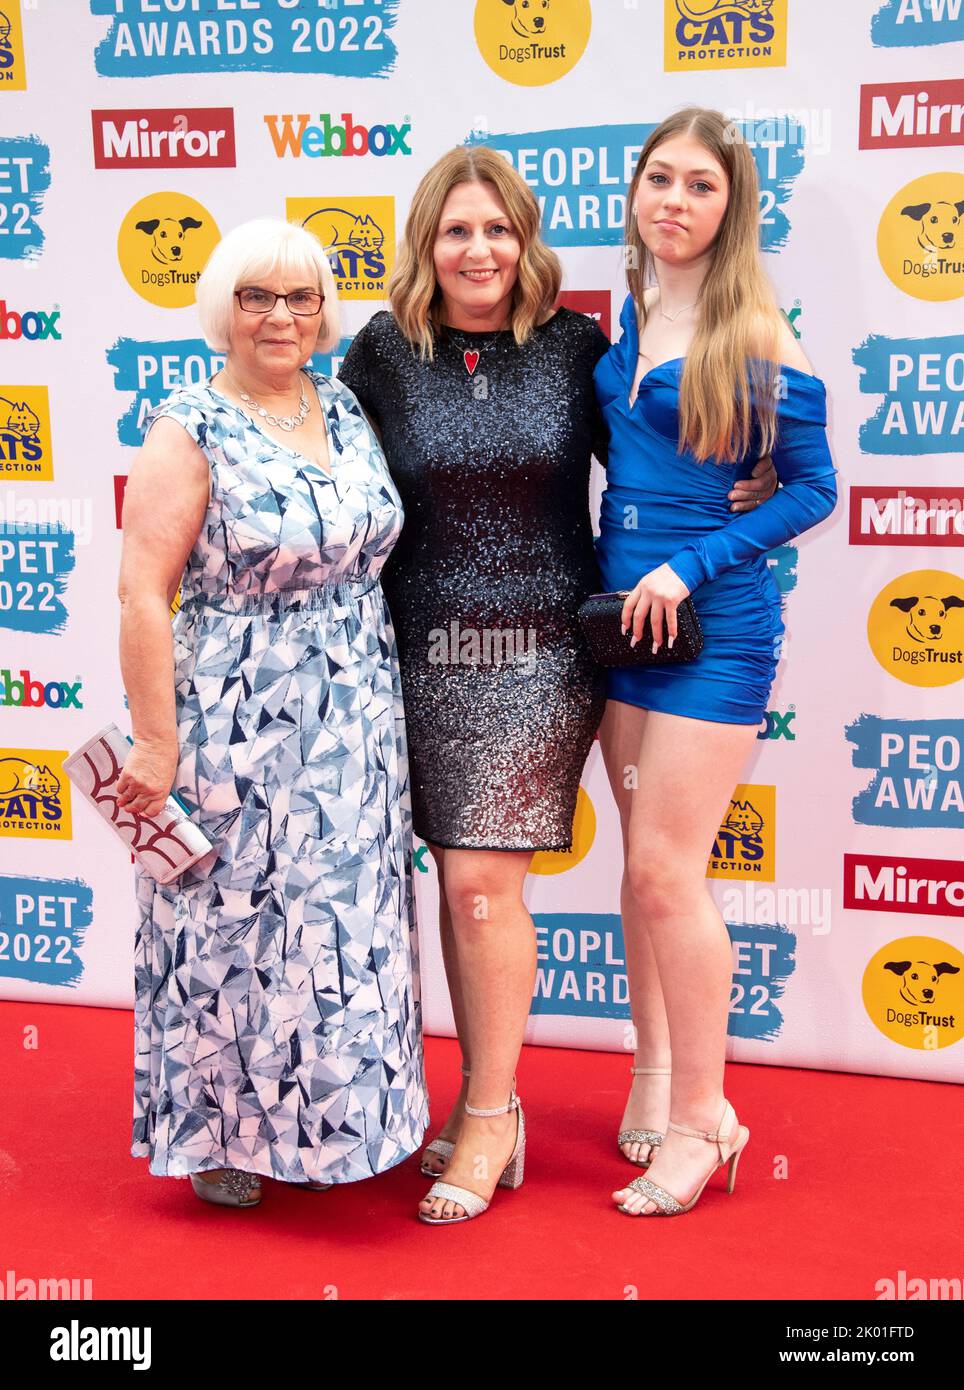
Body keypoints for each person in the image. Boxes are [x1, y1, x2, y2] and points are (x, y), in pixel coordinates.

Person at [338, 145, 776, 1225]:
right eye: (456, 231)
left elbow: (666, 431)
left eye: (497, 230)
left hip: (546, 647)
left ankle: (508, 1109)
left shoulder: (580, 345)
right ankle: (492, 1095)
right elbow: (323, 463)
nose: (477, 249)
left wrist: (754, 464)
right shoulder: (381, 353)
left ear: (526, 242)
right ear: (425, 245)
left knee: (537, 878)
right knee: (461, 881)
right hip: (424, 647)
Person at [117, 217, 428, 1208]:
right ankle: (216, 1133)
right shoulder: (186, 426)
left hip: (356, 720)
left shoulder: (340, 407)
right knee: (232, 932)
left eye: (300, 297)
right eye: (257, 295)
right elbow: (139, 594)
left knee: (341, 929)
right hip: (236, 724)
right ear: (223, 309)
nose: (281, 316)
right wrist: (156, 746)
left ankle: (338, 1127)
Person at [594, 107, 838, 1217]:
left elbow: (812, 486)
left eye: (700, 185)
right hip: (619, 630)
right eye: (660, 180)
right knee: (643, 875)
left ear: (730, 204)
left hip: (714, 631)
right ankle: (652, 1079)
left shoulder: (756, 328)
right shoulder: (631, 308)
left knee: (661, 872)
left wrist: (693, 561)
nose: (676, 202)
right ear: (635, 192)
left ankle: (704, 1120)